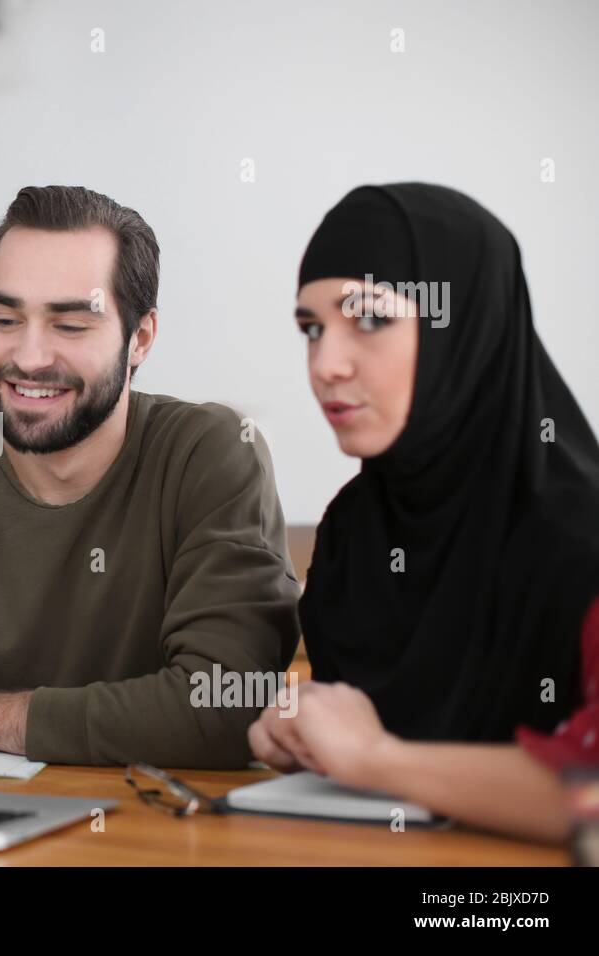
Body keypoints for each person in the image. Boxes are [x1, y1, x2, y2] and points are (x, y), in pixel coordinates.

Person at [0, 185, 301, 767]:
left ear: (142, 338)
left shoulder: (207, 455)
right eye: (5, 319)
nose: (29, 358)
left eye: (71, 326)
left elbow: (227, 704)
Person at [248, 183, 599, 842]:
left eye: (370, 318)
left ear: (466, 323)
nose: (325, 364)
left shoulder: (580, 539)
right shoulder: (355, 531)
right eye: (311, 328)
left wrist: (376, 758)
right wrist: (309, 739)